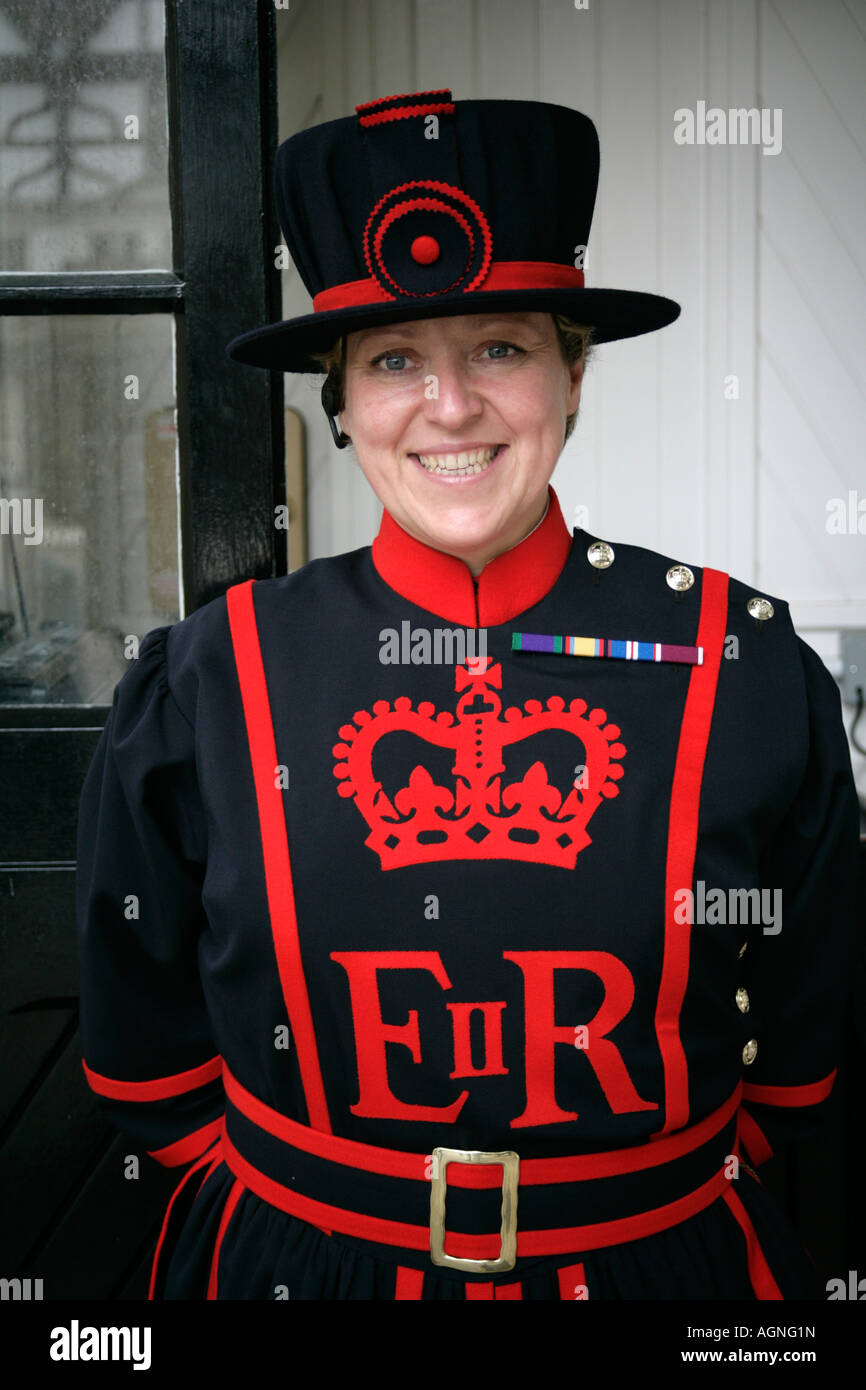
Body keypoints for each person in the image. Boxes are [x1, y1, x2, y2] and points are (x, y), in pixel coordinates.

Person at [75, 89, 860, 1301]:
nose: (450, 406)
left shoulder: (746, 665)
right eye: (393, 360)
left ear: (573, 373)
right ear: (337, 403)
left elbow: (802, 1065)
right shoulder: (203, 681)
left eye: (500, 345)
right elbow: (147, 1066)